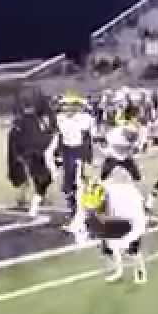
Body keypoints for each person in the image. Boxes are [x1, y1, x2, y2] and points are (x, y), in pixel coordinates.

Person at [76, 180, 148, 284]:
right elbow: (82, 215)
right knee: (111, 244)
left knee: (131, 250)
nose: (95, 211)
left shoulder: (128, 207)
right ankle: (119, 270)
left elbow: (138, 226)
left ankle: (140, 269)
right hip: (113, 214)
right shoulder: (87, 196)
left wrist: (126, 242)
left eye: (97, 208)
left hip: (129, 217)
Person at [48, 92, 95, 231]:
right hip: (68, 152)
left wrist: (88, 159)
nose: (67, 108)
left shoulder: (85, 119)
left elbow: (88, 139)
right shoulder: (60, 118)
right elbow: (58, 137)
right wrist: (58, 155)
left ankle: (80, 216)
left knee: (80, 184)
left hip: (79, 151)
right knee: (67, 186)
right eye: (65, 105)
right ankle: (75, 212)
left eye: (71, 105)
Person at [7, 97, 55, 215]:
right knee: (30, 175)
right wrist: (17, 153)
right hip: (28, 152)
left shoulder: (30, 120)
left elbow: (43, 133)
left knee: (36, 174)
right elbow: (15, 137)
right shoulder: (24, 121)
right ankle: (21, 198)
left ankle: (29, 197)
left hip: (32, 152)